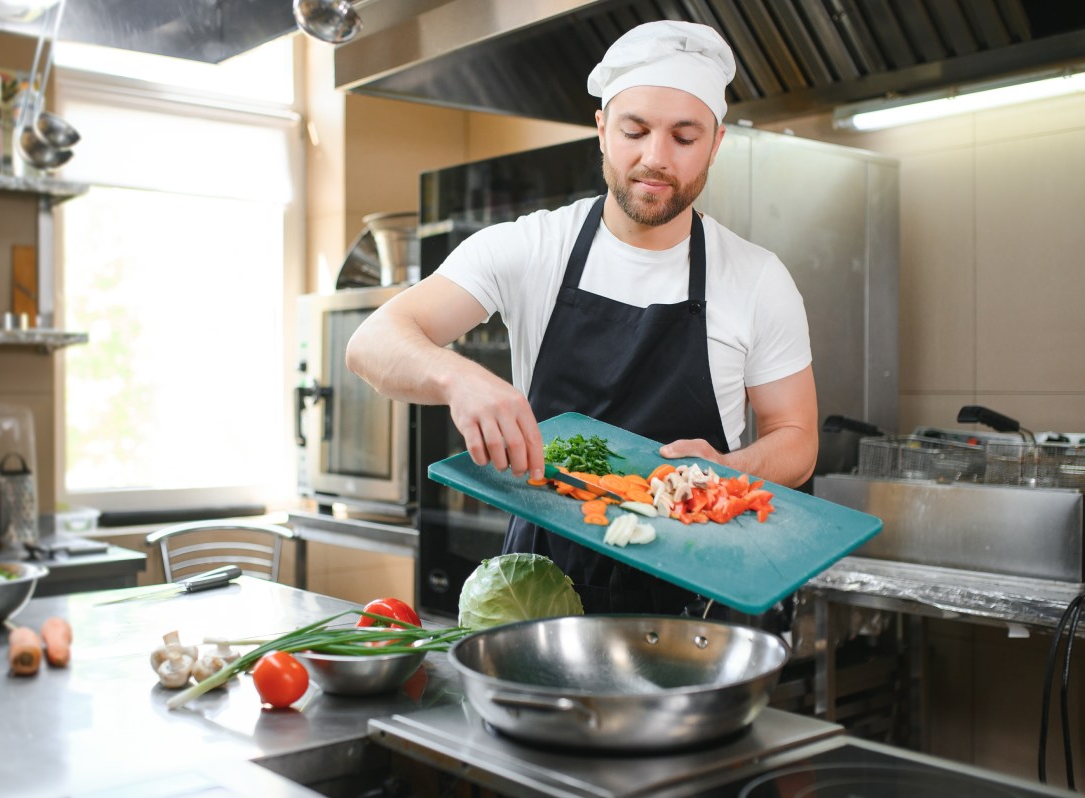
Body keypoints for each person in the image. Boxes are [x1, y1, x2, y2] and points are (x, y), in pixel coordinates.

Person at [346, 20, 818, 615]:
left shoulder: (755, 277)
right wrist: (457, 377)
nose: (655, 158)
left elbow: (797, 440)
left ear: (716, 143)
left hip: (699, 588)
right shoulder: (531, 247)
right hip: (544, 588)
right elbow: (372, 342)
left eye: (684, 136)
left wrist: (727, 470)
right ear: (601, 130)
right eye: (635, 130)